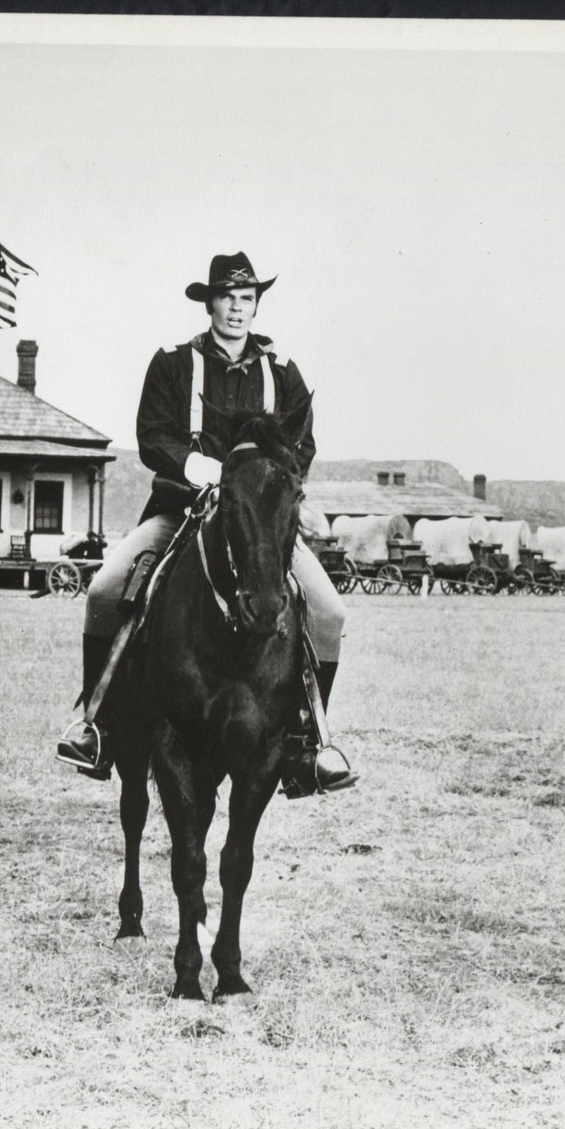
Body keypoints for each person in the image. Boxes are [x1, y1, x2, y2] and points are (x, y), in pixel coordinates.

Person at [56, 251, 354, 795]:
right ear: (209, 302)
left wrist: (264, 485)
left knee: (330, 611)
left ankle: (307, 744)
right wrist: (202, 470)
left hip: (257, 523)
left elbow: (300, 445)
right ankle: (98, 726)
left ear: (256, 305)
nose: (237, 309)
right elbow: (153, 435)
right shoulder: (173, 364)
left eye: (247, 299)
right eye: (227, 298)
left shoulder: (283, 373)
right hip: (182, 509)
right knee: (103, 590)